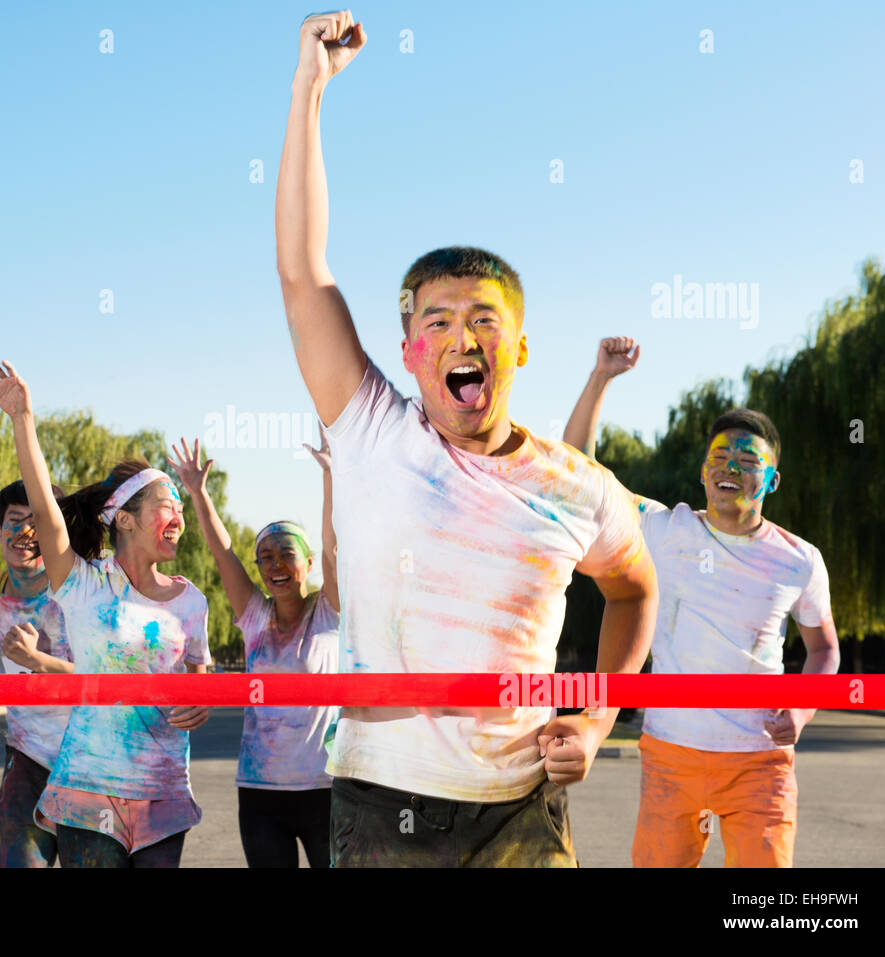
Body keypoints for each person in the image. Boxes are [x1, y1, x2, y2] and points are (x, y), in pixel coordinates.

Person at [274, 10, 660, 867]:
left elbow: (635, 593)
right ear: (408, 349)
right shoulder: (372, 427)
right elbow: (304, 272)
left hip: (523, 811)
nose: (462, 338)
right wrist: (309, 90)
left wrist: (595, 719)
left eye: (485, 320)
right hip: (379, 801)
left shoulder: (579, 485)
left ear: (519, 349)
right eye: (437, 320)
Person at [563, 336, 841, 867]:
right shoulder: (666, 530)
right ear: (702, 471)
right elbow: (579, 475)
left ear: (773, 480)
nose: (730, 467)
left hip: (760, 762)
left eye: (746, 459)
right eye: (719, 456)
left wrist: (802, 709)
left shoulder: (800, 560)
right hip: (670, 755)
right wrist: (601, 377)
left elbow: (824, 649)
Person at [0, 360, 211, 868]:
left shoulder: (193, 601)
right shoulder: (84, 585)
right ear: (125, 519)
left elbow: (199, 675)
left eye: (180, 507)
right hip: (89, 790)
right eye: (167, 505)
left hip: (163, 790)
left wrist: (201, 701)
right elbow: (45, 512)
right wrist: (23, 419)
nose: (178, 518)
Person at [168, 433, 339, 867]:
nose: (276, 565)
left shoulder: (330, 611)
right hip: (260, 792)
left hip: (326, 788)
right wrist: (198, 493)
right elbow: (222, 552)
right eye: (265, 557)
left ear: (308, 564)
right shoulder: (255, 619)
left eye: (287, 554)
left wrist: (331, 474)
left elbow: (334, 547)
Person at [0, 479, 74, 868]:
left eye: (36, 522)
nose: (24, 533)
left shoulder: (83, 591)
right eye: (15, 520)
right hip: (26, 758)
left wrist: (40, 661)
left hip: (93, 759)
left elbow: (110, 674)